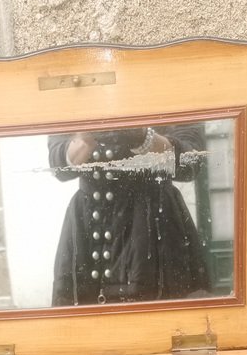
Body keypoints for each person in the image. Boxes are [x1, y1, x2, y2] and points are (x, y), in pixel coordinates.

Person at [48, 124, 210, 306]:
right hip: (89, 224)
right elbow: (57, 165)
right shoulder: (74, 97)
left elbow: (191, 163)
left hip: (152, 229)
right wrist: (86, 138)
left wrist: (142, 138)